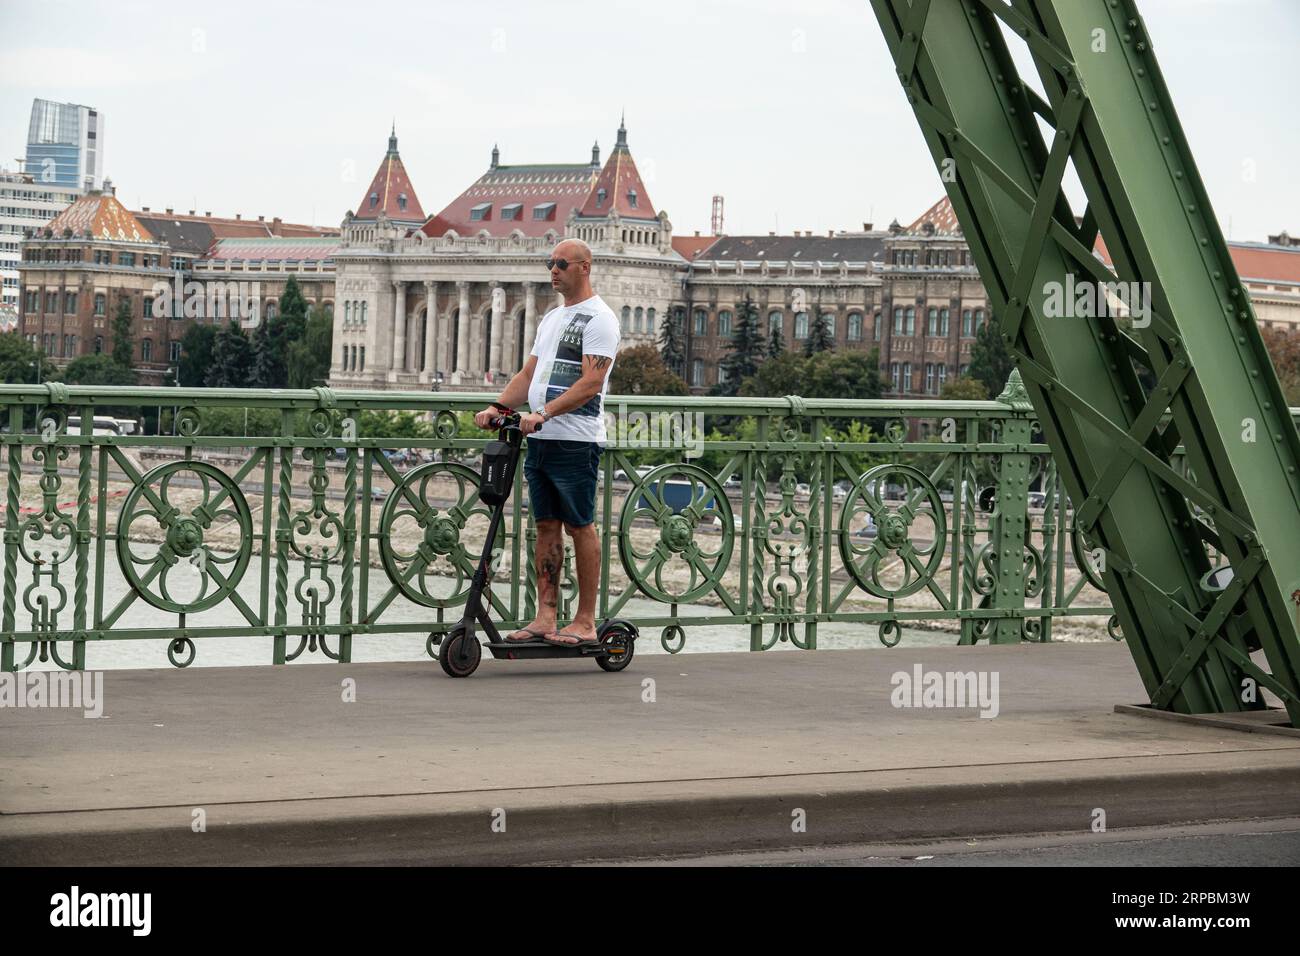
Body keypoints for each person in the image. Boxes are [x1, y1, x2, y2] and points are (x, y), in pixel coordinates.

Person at [474, 238, 619, 646]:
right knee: (545, 527)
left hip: (575, 440)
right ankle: (546, 616)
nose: (553, 270)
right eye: (549, 263)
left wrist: (545, 412)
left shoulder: (600, 319)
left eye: (561, 264)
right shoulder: (553, 318)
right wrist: (499, 406)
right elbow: (528, 375)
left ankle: (586, 621)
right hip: (539, 438)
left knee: (580, 526)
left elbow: (591, 383)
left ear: (584, 267)